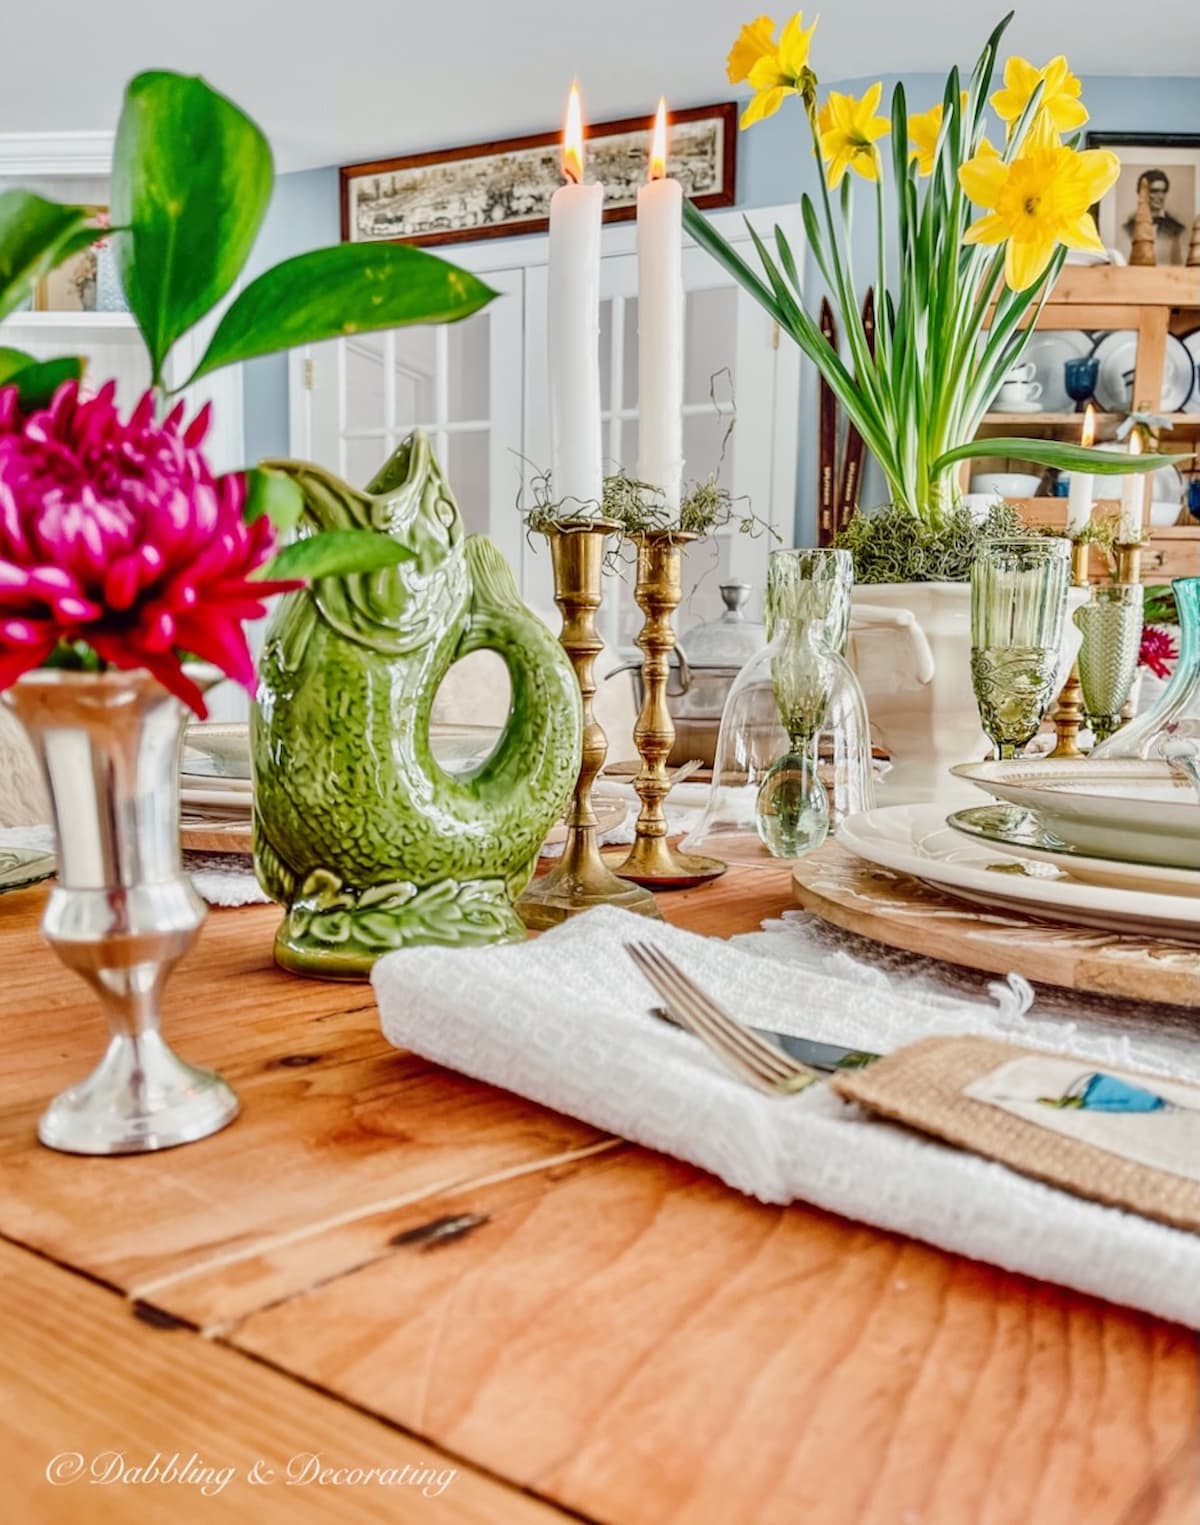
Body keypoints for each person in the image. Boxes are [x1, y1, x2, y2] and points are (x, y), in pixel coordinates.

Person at [1123, 169, 1188, 264]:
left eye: (1163, 191)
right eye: (1154, 191)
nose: (1160, 196)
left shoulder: (1177, 229)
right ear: (1141, 193)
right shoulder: (1127, 229)